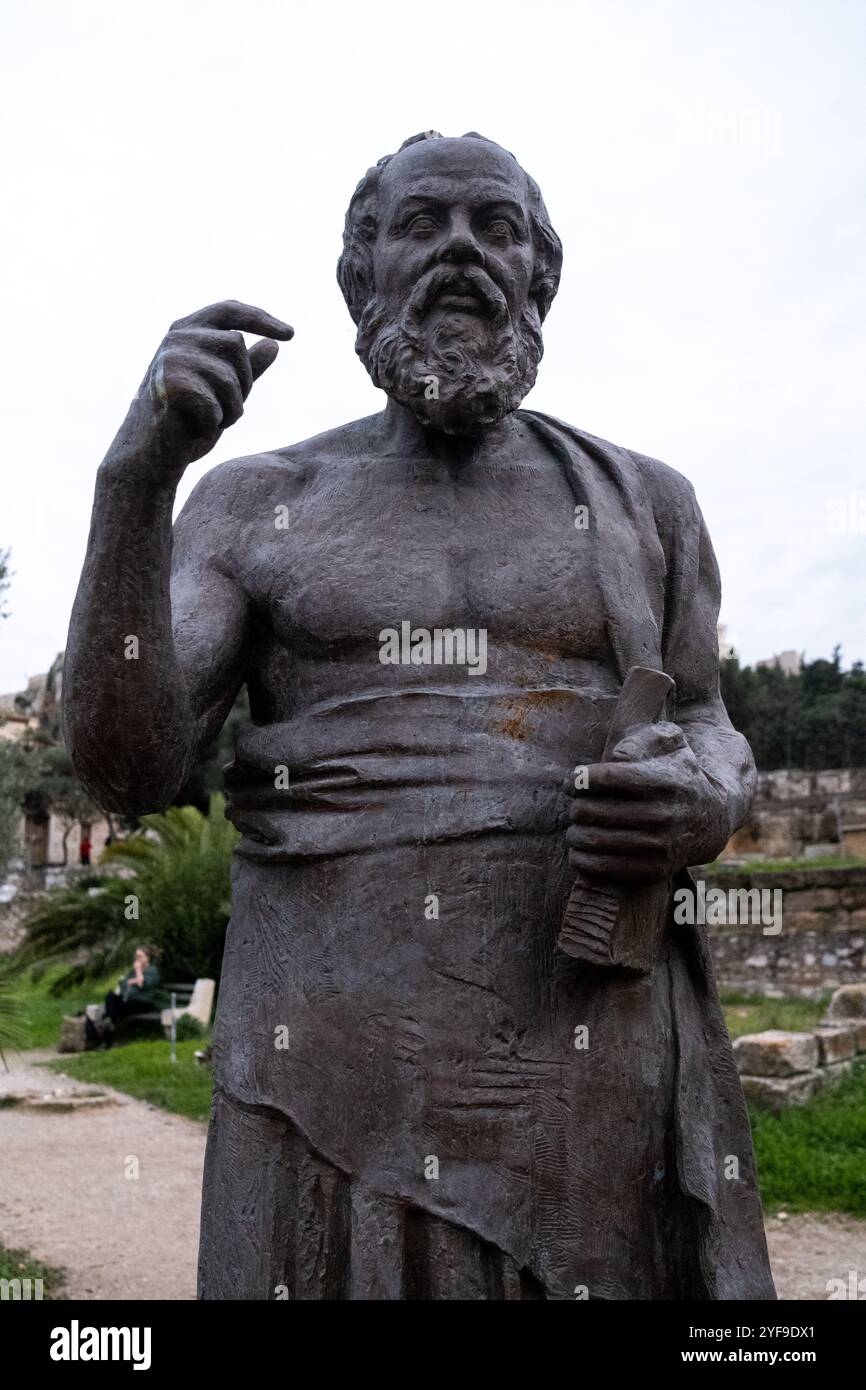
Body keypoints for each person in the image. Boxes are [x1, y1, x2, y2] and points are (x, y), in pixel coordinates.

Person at [64, 132, 776, 1299]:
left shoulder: (646, 504)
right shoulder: (257, 501)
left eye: (493, 228)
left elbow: (707, 720)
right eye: (420, 224)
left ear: (539, 277)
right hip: (325, 1054)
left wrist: (703, 798)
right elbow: (127, 764)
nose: (459, 250)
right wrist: (134, 484)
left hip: (581, 1042)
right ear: (361, 275)